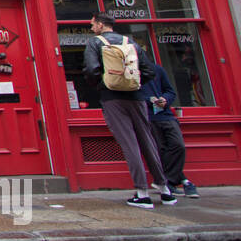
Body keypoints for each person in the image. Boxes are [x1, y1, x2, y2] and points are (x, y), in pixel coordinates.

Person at [83, 12, 176, 208]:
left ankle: (142, 193)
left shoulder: (95, 43)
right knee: (147, 140)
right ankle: (165, 190)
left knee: (129, 143)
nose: (91, 28)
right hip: (137, 97)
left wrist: (102, 85)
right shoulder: (130, 41)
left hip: (112, 99)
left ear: (100, 25)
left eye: (93, 24)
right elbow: (149, 70)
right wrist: (134, 84)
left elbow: (91, 70)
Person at [142, 62, 200, 199]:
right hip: (147, 116)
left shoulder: (157, 70)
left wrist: (165, 100)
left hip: (166, 115)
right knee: (160, 150)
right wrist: (150, 101)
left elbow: (170, 91)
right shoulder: (130, 73)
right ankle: (182, 181)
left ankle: (166, 181)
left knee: (178, 145)